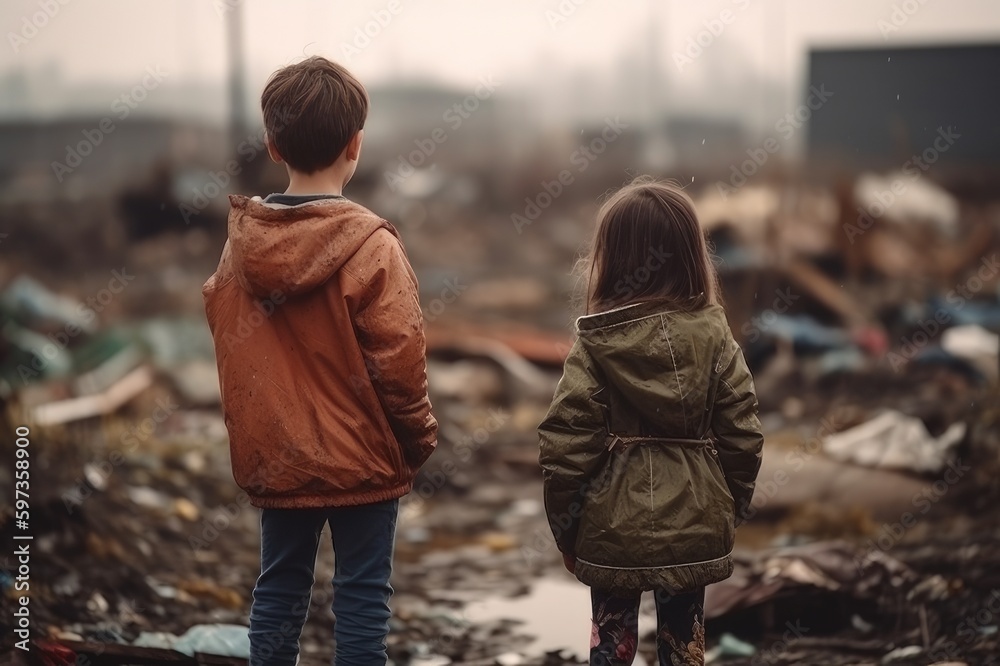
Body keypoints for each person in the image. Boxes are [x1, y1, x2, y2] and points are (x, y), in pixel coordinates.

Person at [202, 56, 437, 666]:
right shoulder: (373, 246)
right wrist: (416, 441)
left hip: (279, 457)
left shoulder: (239, 248)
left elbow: (231, 343)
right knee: (362, 596)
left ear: (273, 145)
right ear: (356, 144)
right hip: (364, 461)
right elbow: (400, 362)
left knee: (277, 590)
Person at [538, 178, 763, 665]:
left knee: (611, 647)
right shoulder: (716, 338)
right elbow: (743, 434)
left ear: (611, 259)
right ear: (690, 256)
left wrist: (566, 528)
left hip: (610, 530)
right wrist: (729, 508)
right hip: (696, 520)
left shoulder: (595, 344)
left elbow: (565, 445)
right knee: (684, 651)